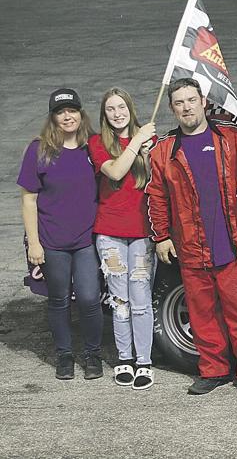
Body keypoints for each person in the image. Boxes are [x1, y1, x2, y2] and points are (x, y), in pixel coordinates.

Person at [145, 77, 237, 401]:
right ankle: (212, 370)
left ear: (202, 102)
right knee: (203, 315)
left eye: (191, 100)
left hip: (236, 244)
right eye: (179, 103)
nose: (186, 107)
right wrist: (161, 237)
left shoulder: (232, 139)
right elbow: (157, 197)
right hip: (192, 246)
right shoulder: (163, 152)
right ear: (173, 109)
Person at [18, 89, 102, 380]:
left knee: (90, 298)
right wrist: (35, 243)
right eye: (61, 112)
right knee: (59, 299)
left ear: (80, 114)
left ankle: (92, 355)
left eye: (72, 111)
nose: (68, 116)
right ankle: (64, 355)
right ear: (53, 117)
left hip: (85, 241)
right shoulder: (38, 149)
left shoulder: (93, 147)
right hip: (52, 241)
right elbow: (29, 199)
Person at [89, 88, 158, 389]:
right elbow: (115, 172)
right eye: (110, 110)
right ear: (104, 115)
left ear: (130, 108)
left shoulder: (148, 142)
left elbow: (159, 182)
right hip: (110, 234)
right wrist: (137, 141)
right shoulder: (97, 143)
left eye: (121, 107)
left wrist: (147, 149)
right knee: (120, 301)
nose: (117, 114)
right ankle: (124, 359)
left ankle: (144, 361)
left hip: (143, 234)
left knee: (141, 299)